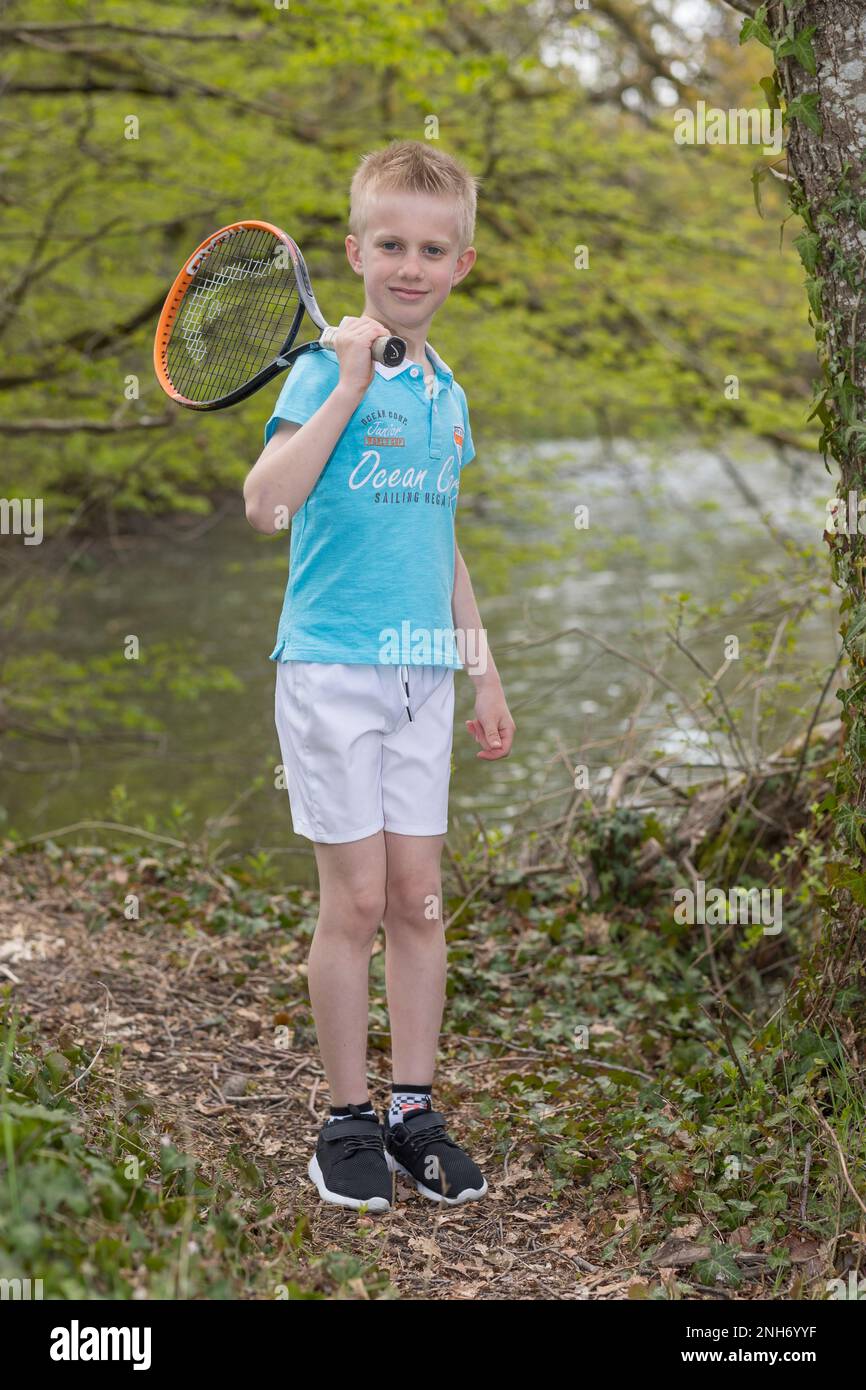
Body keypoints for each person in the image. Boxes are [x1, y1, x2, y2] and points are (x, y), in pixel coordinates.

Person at [243, 139, 516, 1212]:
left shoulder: (447, 392)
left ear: (461, 264)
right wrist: (347, 385)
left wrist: (482, 669)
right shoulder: (324, 371)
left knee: (417, 898)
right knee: (352, 900)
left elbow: (439, 541)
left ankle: (412, 1110)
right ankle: (344, 1118)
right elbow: (266, 503)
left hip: (422, 678)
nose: (410, 265)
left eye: (432, 248)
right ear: (354, 253)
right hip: (329, 670)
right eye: (390, 244)